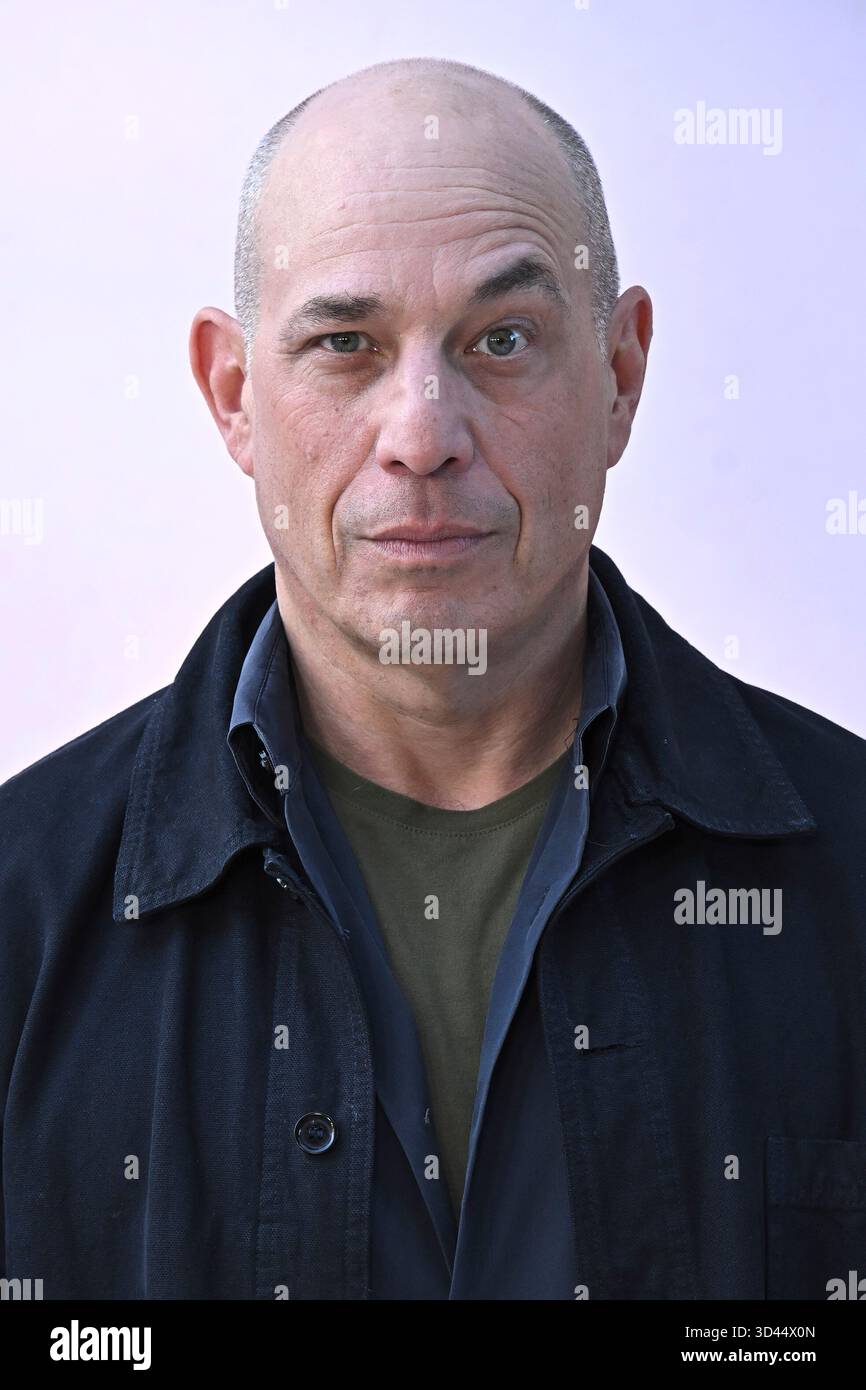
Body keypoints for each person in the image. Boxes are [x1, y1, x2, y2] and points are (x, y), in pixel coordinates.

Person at [2, 57, 865, 1302]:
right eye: (345, 344)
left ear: (619, 375)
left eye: (501, 339)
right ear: (234, 394)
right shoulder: (21, 917)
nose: (422, 431)